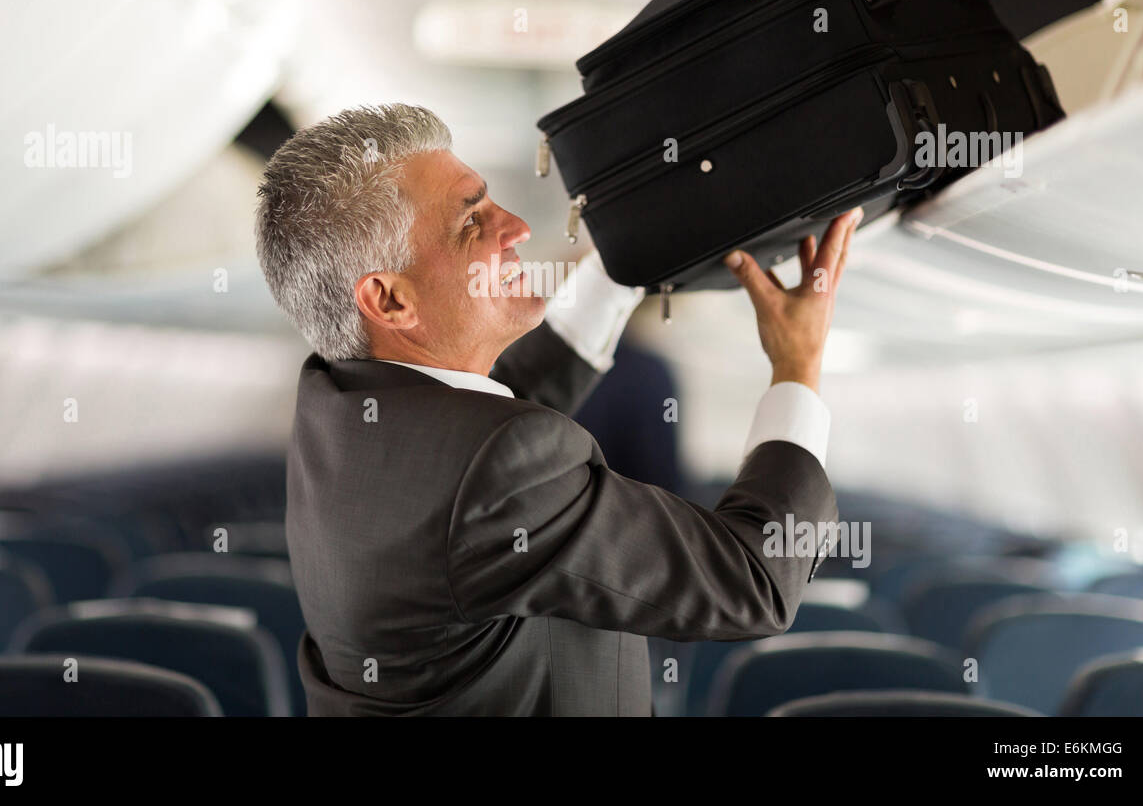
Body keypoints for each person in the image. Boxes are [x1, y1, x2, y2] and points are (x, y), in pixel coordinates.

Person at [255, 103, 860, 715]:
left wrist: (623, 261)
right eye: (472, 222)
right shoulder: (490, 470)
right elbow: (754, 583)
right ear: (389, 299)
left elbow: (476, 424)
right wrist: (798, 364)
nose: (515, 226)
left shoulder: (338, 407)